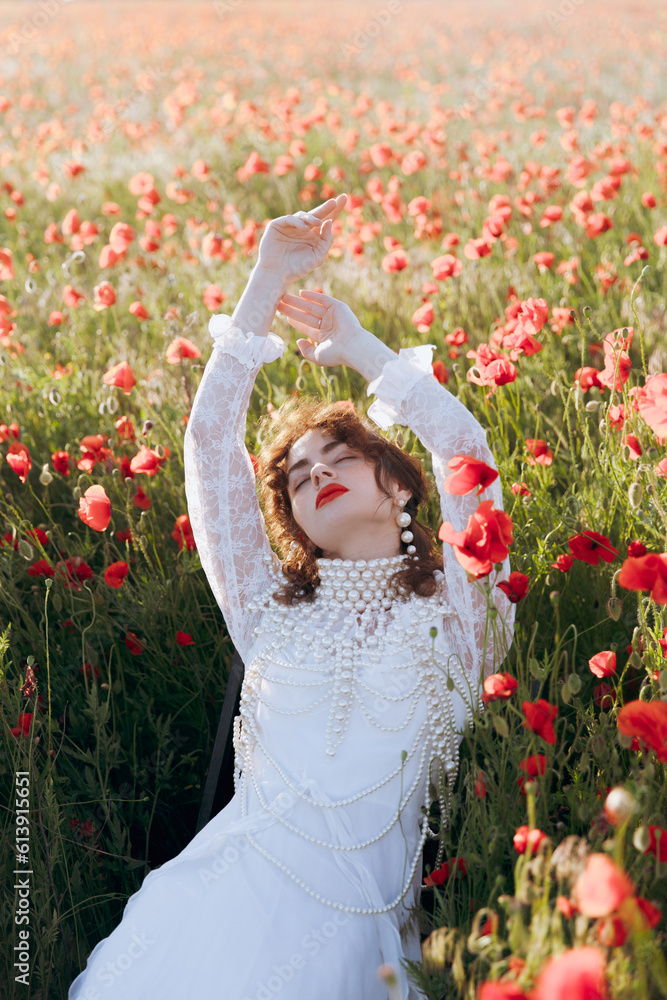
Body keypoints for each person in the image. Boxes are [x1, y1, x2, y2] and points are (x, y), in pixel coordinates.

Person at [68, 194, 515, 1000]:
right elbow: (210, 447)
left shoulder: (459, 618)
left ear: (398, 485)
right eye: (299, 478)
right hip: (208, 909)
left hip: (359, 929)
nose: (317, 474)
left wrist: (359, 347)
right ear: (295, 526)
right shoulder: (268, 608)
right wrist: (264, 279)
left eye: (338, 456)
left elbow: (463, 448)